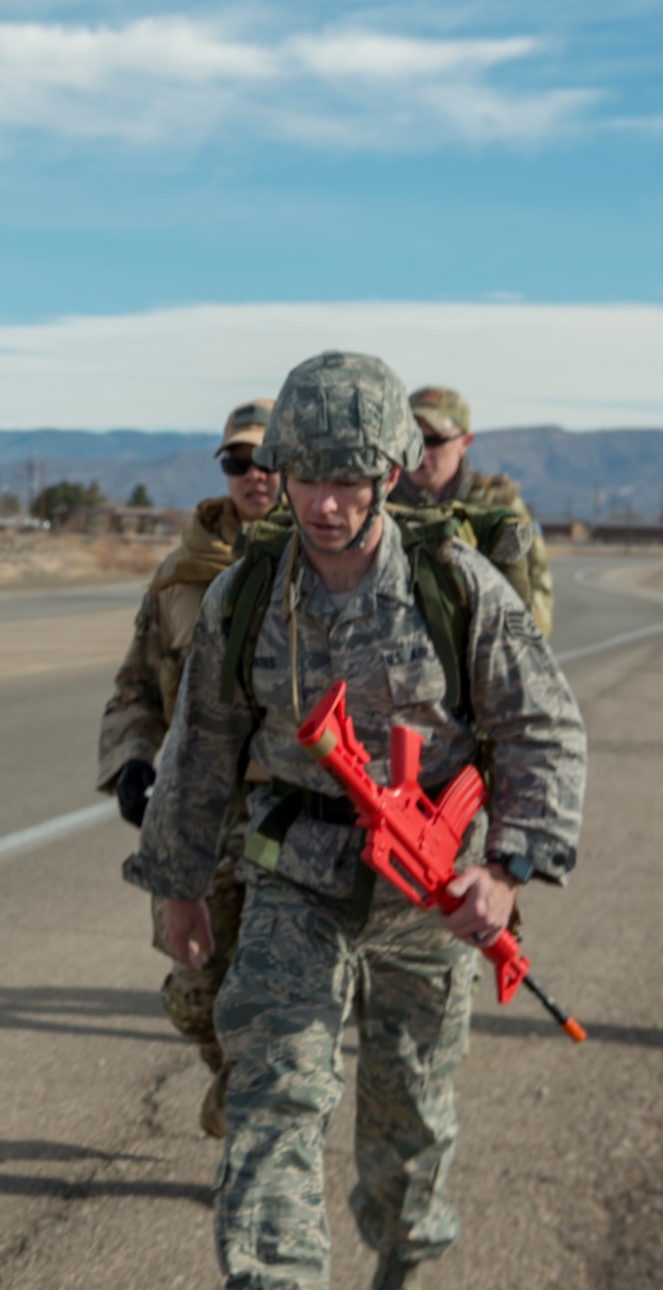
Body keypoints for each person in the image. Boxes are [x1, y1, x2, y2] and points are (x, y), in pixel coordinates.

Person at [125, 351, 584, 1290]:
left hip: (432, 891)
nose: (324, 503)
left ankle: (406, 1250)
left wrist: (503, 870)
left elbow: (542, 726)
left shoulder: (455, 585)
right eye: (307, 477)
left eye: (347, 479)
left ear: (386, 474)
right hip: (297, 871)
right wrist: (176, 886)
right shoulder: (246, 592)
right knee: (273, 1094)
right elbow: (199, 746)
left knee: (408, 1109)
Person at [95, 397, 278, 1140]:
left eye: (267, 459)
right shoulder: (181, 576)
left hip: (285, 811)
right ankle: (237, 1091)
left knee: (273, 991)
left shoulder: (321, 563)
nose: (253, 474)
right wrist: (133, 759)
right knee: (194, 995)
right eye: (237, 461)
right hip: (200, 809)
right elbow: (136, 683)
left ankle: (256, 1137)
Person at [389, 384, 553, 637]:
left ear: (465, 442)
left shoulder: (499, 510)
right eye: (412, 439)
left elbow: (537, 600)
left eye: (433, 441)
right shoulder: (379, 505)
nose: (421, 451)